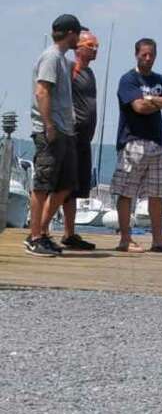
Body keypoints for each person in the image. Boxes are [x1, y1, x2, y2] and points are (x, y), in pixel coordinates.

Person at [112, 38, 162, 253]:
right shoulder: (128, 79)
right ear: (136, 54)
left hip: (156, 142)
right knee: (126, 192)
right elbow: (138, 107)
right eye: (144, 55)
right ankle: (125, 239)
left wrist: (152, 99)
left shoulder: (159, 78)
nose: (148, 58)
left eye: (151, 55)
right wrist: (160, 102)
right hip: (133, 142)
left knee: (157, 193)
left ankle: (158, 239)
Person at [24, 14, 83, 256]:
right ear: (71, 33)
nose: (79, 39)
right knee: (42, 185)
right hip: (51, 130)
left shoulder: (62, 60)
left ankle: (44, 231)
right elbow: (42, 92)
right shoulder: (50, 57)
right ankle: (34, 236)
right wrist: (49, 125)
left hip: (64, 132)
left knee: (65, 184)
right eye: (78, 34)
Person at [58, 29, 102, 250]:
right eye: (90, 45)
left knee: (76, 188)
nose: (95, 50)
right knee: (64, 185)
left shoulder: (90, 73)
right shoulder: (70, 69)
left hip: (85, 138)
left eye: (96, 46)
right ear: (79, 47)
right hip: (72, 135)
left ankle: (70, 233)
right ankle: (44, 231)